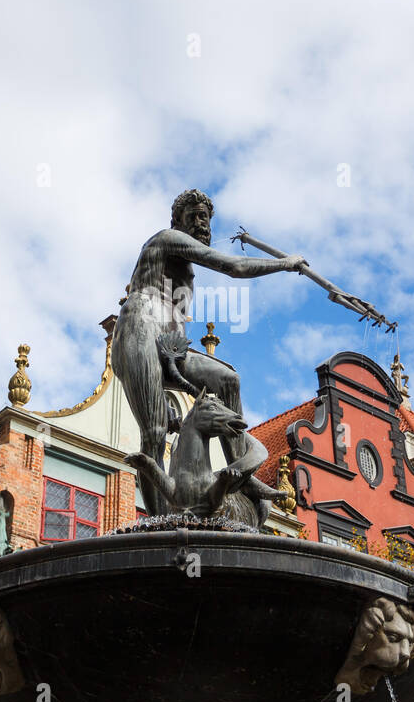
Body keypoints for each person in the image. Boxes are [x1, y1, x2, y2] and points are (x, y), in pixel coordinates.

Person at [113, 189, 305, 520]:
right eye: (195, 216)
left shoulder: (185, 270)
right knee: (155, 433)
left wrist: (175, 375)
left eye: (207, 218)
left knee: (228, 380)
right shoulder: (166, 238)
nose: (203, 223)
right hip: (139, 328)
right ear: (178, 220)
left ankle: (241, 475)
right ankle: (161, 524)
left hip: (169, 345)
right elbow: (233, 266)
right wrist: (284, 264)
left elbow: (178, 330)